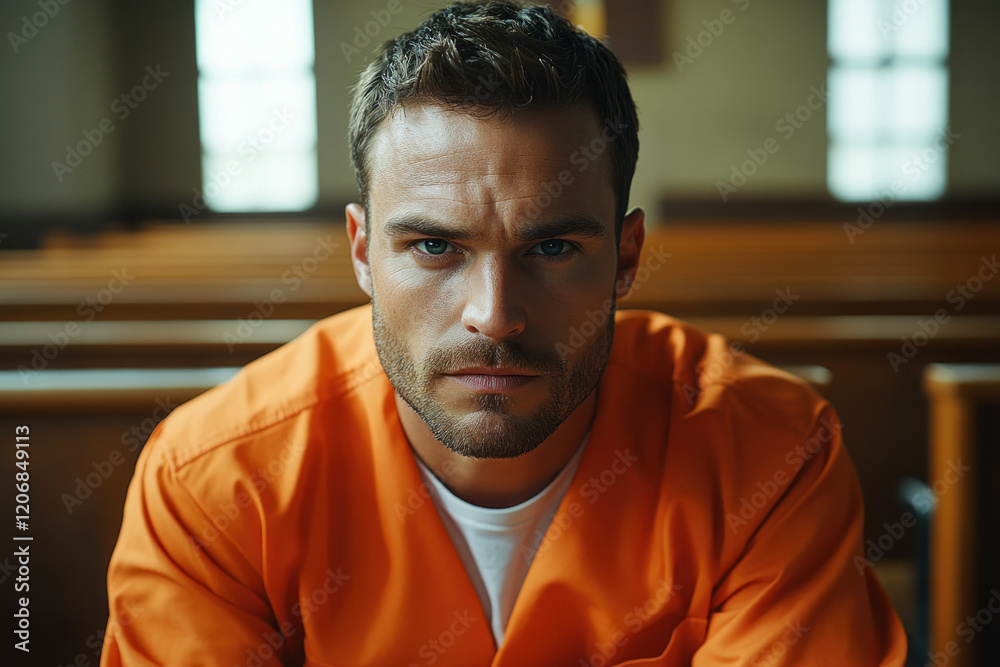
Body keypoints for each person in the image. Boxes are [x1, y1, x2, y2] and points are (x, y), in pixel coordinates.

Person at [101, 1, 907, 664]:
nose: (493, 314)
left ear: (626, 257)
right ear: (363, 252)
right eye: (434, 247)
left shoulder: (769, 456)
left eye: (551, 249)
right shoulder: (213, 480)